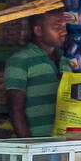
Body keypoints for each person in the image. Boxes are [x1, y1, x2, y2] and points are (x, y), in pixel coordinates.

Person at [5, 9, 68, 138]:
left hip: (63, 143)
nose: (63, 32)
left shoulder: (65, 61)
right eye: (56, 27)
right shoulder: (20, 60)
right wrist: (29, 145)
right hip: (38, 144)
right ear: (38, 31)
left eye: (64, 26)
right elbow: (15, 110)